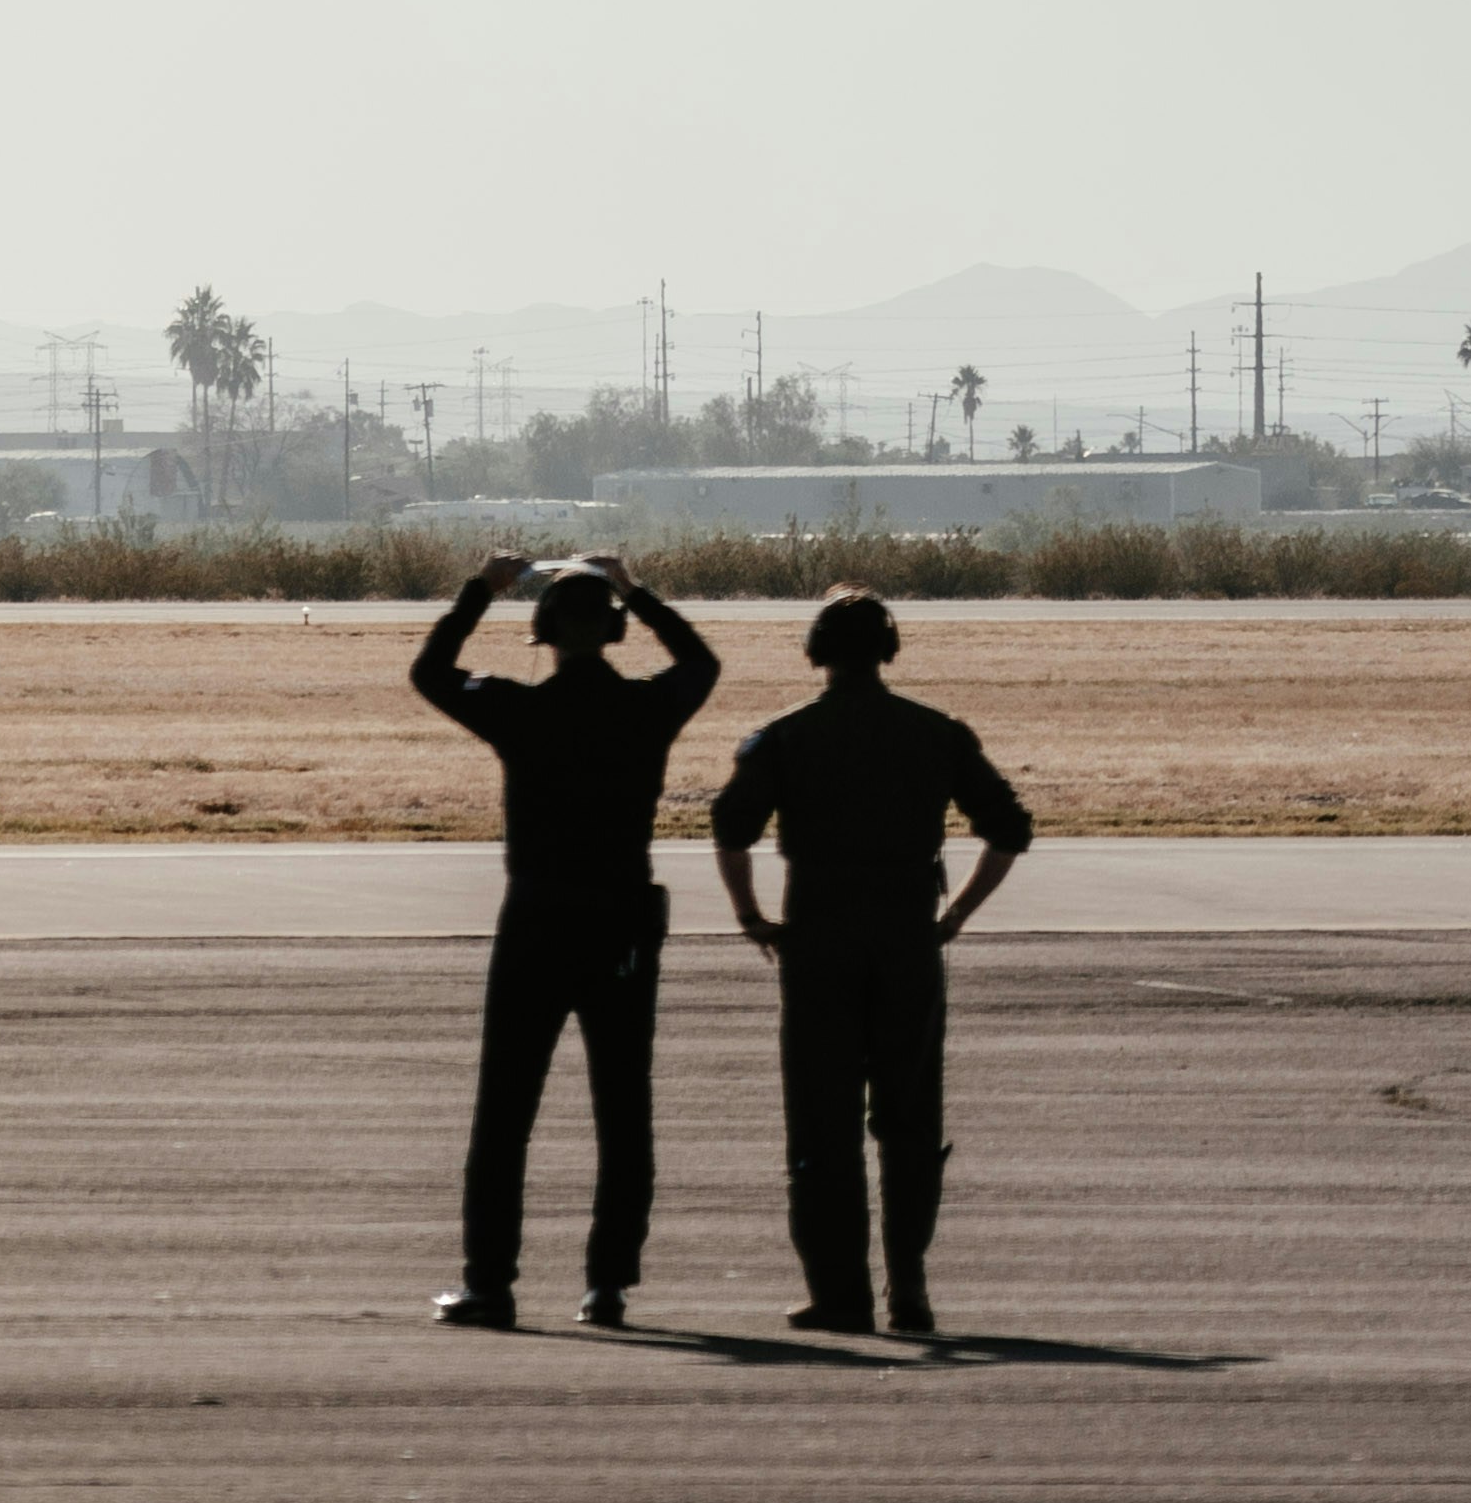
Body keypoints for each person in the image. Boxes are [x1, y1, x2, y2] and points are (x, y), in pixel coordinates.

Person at [708, 586, 1030, 1342]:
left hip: (817, 936)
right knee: (910, 1117)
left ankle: (839, 1292)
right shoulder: (937, 733)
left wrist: (751, 916)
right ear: (888, 650)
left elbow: (729, 829)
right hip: (906, 937)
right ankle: (908, 1283)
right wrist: (954, 918)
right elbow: (1009, 829)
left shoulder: (783, 738)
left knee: (821, 1121)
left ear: (815, 651)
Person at [410, 548, 719, 1327]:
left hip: (538, 918)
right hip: (621, 919)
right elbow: (701, 662)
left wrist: (479, 590)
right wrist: (636, 591)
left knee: (506, 1109)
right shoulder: (647, 708)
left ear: (542, 632)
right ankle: (606, 1283)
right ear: (614, 633)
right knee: (622, 1105)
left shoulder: (518, 710)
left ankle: (490, 1283)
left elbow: (431, 671)